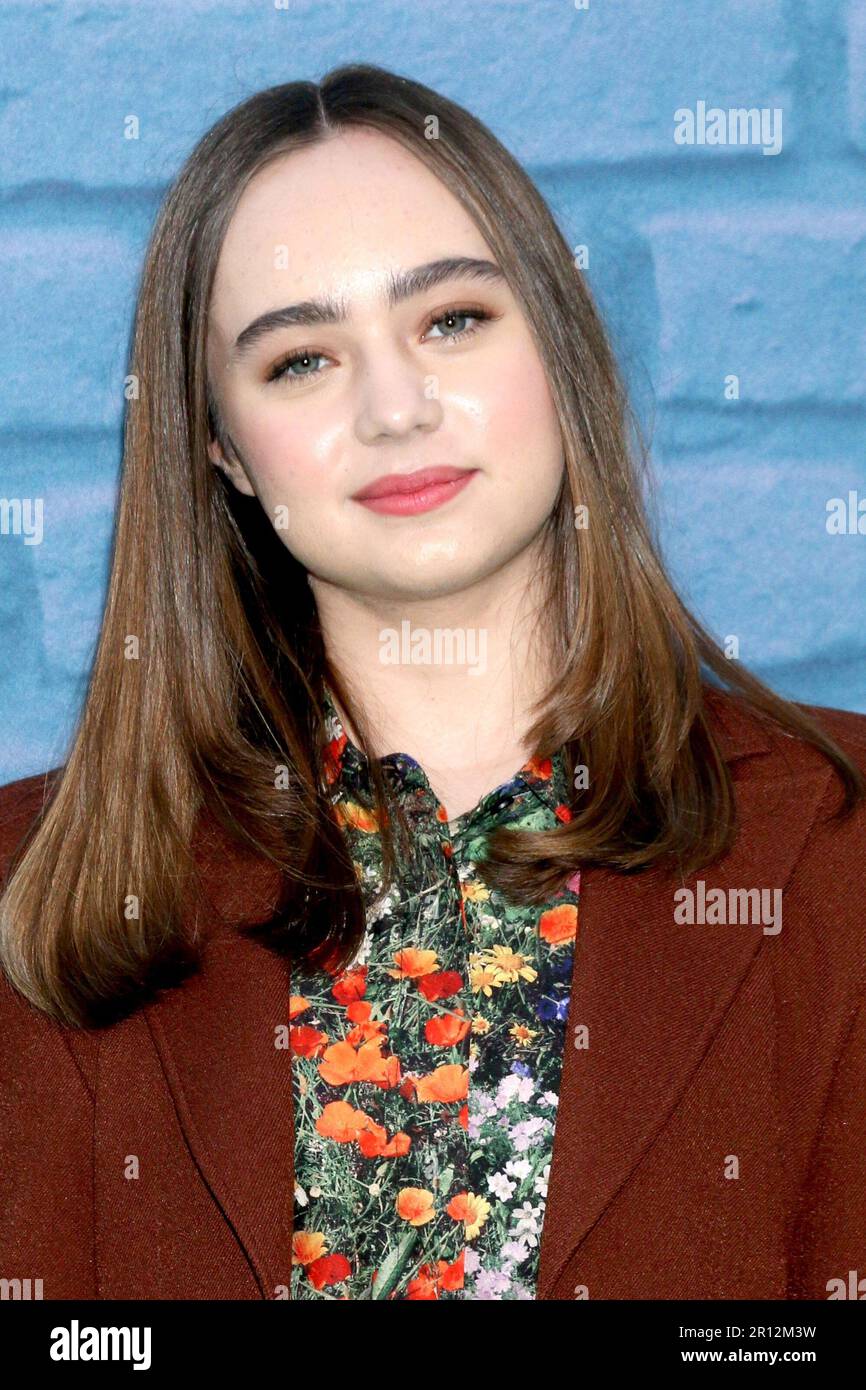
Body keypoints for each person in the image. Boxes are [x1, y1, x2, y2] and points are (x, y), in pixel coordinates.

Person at [1, 63, 864, 1302]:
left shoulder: (841, 841)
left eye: (450, 319)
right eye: (300, 358)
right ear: (224, 451)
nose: (396, 408)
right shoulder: (31, 893)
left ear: (558, 349)